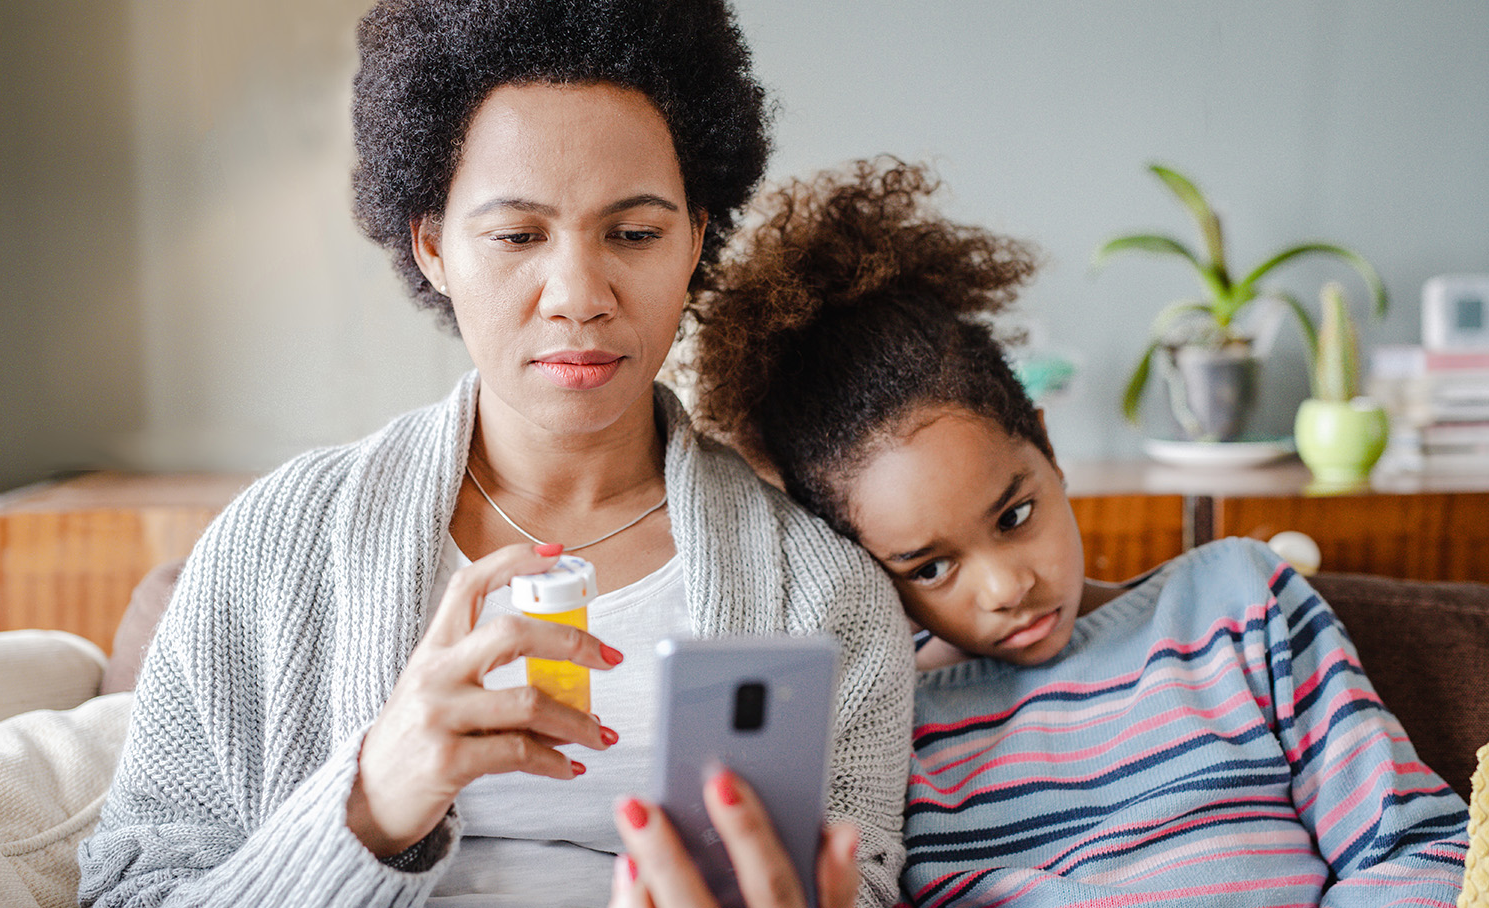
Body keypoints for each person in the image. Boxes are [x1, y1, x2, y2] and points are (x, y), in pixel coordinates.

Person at [76, 4, 915, 906]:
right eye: (517, 236)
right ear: (432, 244)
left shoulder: (825, 596)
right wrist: (370, 807)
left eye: (634, 234)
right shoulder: (274, 547)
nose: (578, 296)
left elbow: (861, 883)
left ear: (696, 238)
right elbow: (131, 889)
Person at [687, 157, 1470, 907]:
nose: (1006, 586)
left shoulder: (1240, 605)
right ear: (862, 569)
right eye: (929, 568)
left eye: (1014, 515)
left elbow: (1412, 847)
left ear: (1048, 448)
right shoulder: (886, 726)